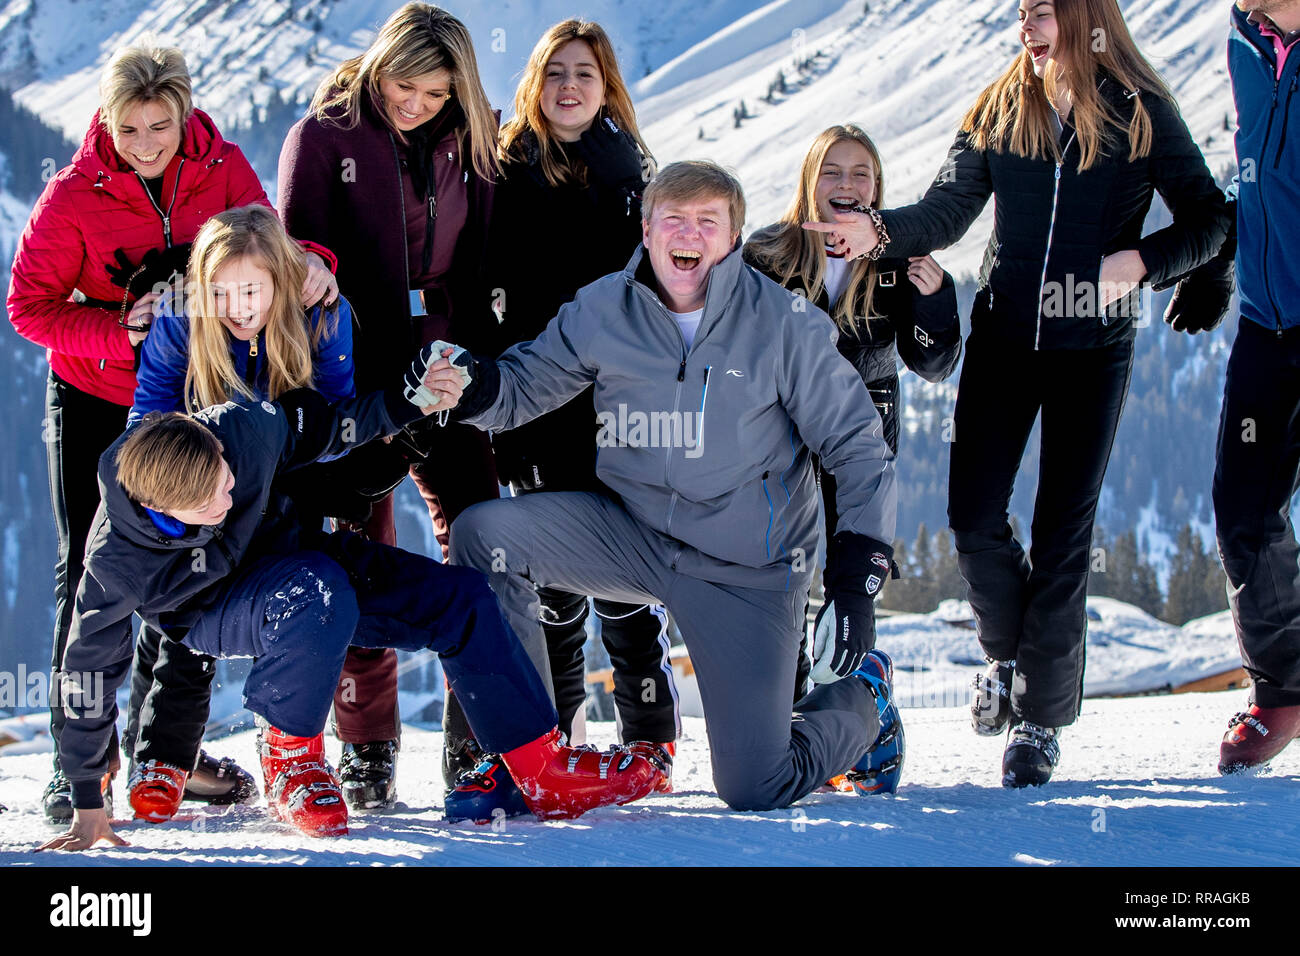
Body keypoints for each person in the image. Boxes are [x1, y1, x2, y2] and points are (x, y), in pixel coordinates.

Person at [813, 0, 1232, 787]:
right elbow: (946, 210)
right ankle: (1005, 660)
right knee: (974, 519)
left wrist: (1140, 264)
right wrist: (879, 231)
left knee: (1063, 536)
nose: (1025, 29)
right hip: (1005, 338)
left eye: (1041, 13)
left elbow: (1212, 219)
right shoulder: (1001, 107)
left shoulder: (1142, 112)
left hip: (1091, 350)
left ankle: (1039, 719)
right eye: (1020, 15)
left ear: (1084, 16)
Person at [35, 347, 664, 851]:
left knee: (461, 599)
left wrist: (410, 401)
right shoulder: (115, 560)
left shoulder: (243, 432)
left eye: (229, 483)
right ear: (160, 510)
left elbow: (336, 427)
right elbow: (86, 674)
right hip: (208, 609)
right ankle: (291, 756)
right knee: (317, 591)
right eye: (210, 505)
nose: (228, 500)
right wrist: (89, 799)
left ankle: (536, 765)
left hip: (296, 559)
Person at [443, 160, 900, 814]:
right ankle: (529, 758)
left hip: (748, 566)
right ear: (647, 228)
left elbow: (857, 445)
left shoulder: (783, 326)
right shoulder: (606, 307)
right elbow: (521, 388)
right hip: (635, 536)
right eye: (675, 220)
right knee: (484, 536)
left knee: (754, 784)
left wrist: (856, 580)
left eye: (708, 222)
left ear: (734, 237)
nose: (690, 235)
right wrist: (470, 386)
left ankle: (866, 696)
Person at [6, 42, 336, 824]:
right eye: (130, 128)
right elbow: (29, 308)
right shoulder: (72, 196)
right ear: (105, 122)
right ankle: (76, 762)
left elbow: (269, 244)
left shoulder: (218, 167)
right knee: (88, 565)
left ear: (184, 114)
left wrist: (316, 261)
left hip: (195, 390)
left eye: (161, 124)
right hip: (95, 391)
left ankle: (165, 753)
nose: (148, 143)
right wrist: (122, 329)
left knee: (193, 551)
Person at [277, 1, 502, 809]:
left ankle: (477, 742)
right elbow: (298, 252)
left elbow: (480, 266)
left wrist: (473, 360)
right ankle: (366, 748)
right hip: (358, 379)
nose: (415, 104)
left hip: (447, 367)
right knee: (354, 557)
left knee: (480, 534)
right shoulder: (326, 135)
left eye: (436, 94)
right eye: (404, 86)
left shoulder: (475, 144)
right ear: (379, 67)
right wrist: (313, 269)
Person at [479, 18, 678, 792]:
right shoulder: (506, 170)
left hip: (620, 399)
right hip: (534, 396)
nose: (569, 86)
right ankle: (560, 736)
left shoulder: (629, 169)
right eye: (556, 71)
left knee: (625, 574)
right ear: (536, 80)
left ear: (606, 89)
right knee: (553, 574)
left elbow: (655, 282)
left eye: (585, 75)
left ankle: (651, 736)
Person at [744, 123, 961, 729]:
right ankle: (783, 728)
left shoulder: (895, 261)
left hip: (863, 439)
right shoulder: (768, 254)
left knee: (848, 592)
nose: (846, 184)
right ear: (810, 183)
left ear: (877, 187)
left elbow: (934, 365)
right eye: (832, 172)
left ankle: (862, 729)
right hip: (780, 437)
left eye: (860, 173)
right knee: (780, 580)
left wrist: (936, 301)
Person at [1173, 0, 1300, 772]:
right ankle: (1282, 692)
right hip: (1267, 322)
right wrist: (1222, 257)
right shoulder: (1242, 40)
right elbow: (1254, 158)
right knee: (1243, 513)